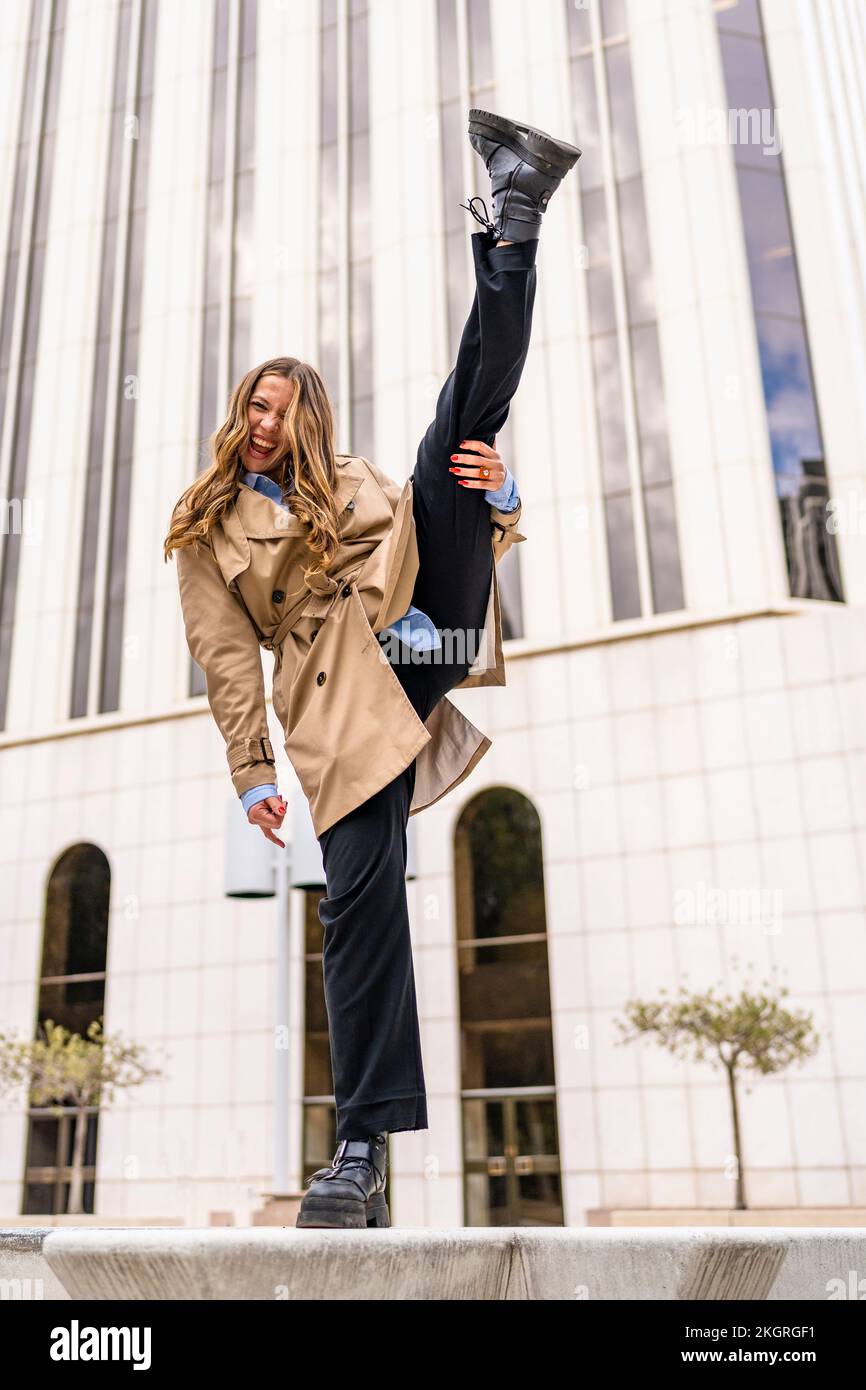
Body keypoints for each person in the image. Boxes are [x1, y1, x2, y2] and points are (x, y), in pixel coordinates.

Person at [165, 109, 581, 1229]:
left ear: (306, 421)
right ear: (239, 411)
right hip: (339, 696)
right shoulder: (204, 530)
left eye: (283, 409)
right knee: (357, 900)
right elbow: (225, 657)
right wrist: (253, 772)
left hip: (421, 623)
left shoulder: (347, 479)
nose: (264, 421)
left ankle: (515, 219)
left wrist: (498, 500)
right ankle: (361, 1151)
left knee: (460, 430)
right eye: (255, 403)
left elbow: (429, 522)